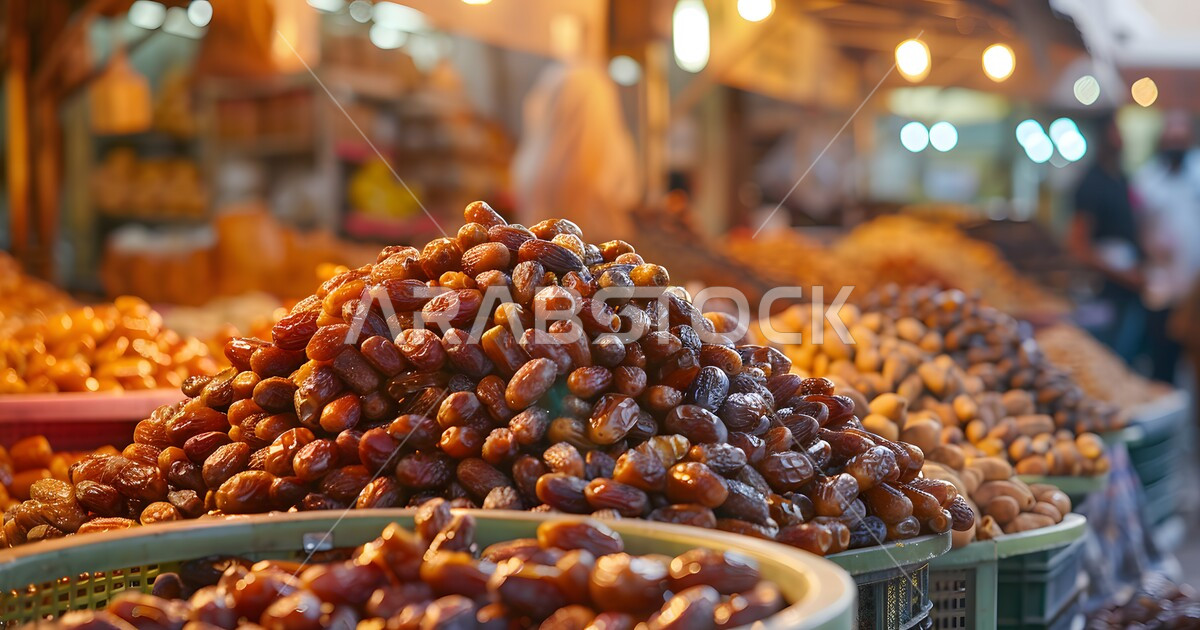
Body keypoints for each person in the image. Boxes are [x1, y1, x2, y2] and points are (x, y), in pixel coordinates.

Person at [511, 62, 641, 243]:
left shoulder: (532, 164)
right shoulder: (609, 159)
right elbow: (627, 196)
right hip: (595, 247)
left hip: (544, 249)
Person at [1067, 113, 1146, 365]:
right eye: (1116, 131)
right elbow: (1078, 247)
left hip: (1129, 294)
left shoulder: (1121, 179)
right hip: (1103, 296)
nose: (1122, 137)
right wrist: (1122, 274)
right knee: (1106, 362)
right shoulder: (1091, 183)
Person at [1133, 111, 1200, 384]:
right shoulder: (1145, 180)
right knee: (1162, 362)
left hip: (1195, 287)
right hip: (1160, 285)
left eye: (1181, 140)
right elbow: (1136, 227)